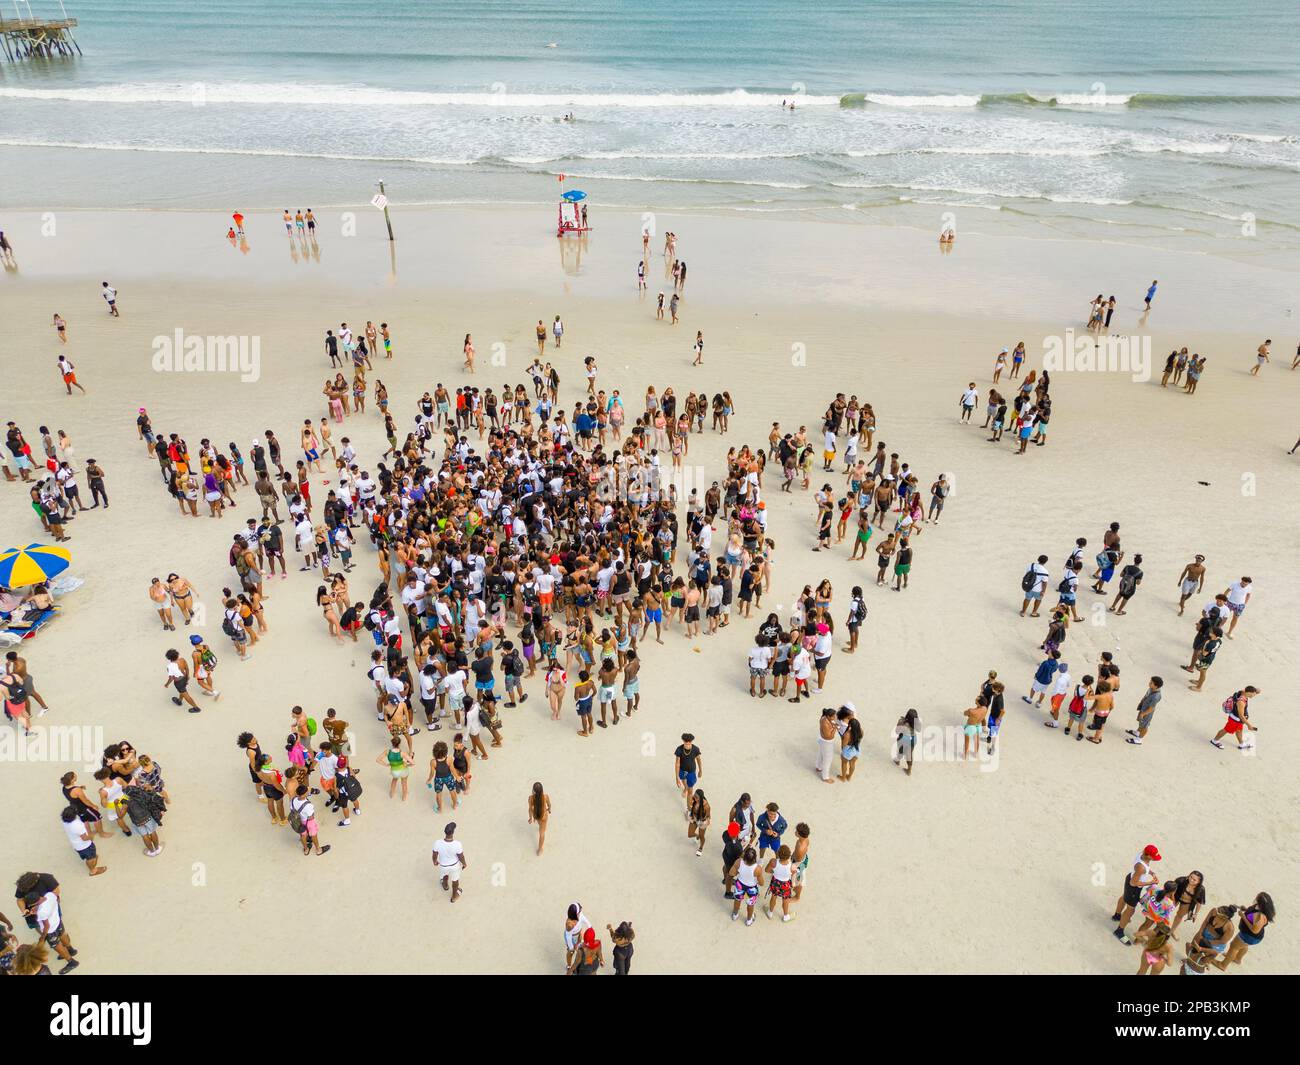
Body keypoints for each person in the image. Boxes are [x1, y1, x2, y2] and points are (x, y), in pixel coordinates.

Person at [1113, 844, 1161, 944]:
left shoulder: (1141, 855)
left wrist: (1151, 873)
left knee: (1124, 897)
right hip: (1134, 887)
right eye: (1153, 856)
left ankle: (1117, 915)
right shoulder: (1141, 868)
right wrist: (1150, 882)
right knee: (1130, 910)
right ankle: (1119, 931)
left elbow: (1143, 869)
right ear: (1148, 856)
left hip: (1130, 877)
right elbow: (1133, 883)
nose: (1154, 858)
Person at [1214, 893, 1274, 970]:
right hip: (1249, 937)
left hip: (1249, 936)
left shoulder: (1260, 916)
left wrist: (1243, 916)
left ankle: (1223, 965)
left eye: (1257, 897)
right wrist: (1246, 909)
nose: (1256, 897)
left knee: (1234, 946)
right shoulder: (1259, 907)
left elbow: (1254, 930)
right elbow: (1252, 915)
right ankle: (1237, 959)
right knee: (1243, 945)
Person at [60, 807, 107, 876]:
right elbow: (84, 838)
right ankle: (93, 871)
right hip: (85, 846)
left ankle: (93, 858)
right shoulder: (77, 825)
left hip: (77, 845)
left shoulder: (64, 821)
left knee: (90, 856)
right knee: (90, 859)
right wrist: (91, 836)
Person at [432, 822, 466, 903]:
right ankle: (454, 897)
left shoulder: (437, 843)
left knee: (444, 875)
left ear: (444, 832)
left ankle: (445, 885)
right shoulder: (458, 844)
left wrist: (435, 861)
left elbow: (434, 854)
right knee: (455, 881)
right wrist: (464, 864)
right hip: (455, 866)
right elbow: (461, 856)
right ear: (453, 832)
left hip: (443, 865)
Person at [1124, 676, 1164, 745]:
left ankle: (1139, 739)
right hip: (1143, 708)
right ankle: (1137, 732)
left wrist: (1143, 714)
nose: (1149, 683)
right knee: (1141, 723)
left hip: (1147, 713)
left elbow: (1151, 708)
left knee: (1145, 726)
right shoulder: (1151, 689)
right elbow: (1146, 696)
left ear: (1156, 686)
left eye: (1151, 683)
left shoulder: (1156, 696)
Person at [674, 733, 702, 807]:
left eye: (689, 744)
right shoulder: (679, 749)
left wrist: (700, 770)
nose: (688, 746)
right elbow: (677, 763)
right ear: (683, 741)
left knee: (690, 791)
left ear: (691, 742)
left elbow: (698, 759)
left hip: (691, 772)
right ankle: (685, 787)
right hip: (682, 770)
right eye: (686, 744)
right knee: (682, 778)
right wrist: (677, 778)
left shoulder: (695, 749)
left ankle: (689, 808)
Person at [527, 781, 551, 856]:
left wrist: (530, 817)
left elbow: (530, 809)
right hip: (543, 817)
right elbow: (549, 805)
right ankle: (540, 849)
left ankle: (540, 826)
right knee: (542, 834)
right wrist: (549, 809)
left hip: (536, 816)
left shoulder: (530, 798)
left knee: (539, 824)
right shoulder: (546, 796)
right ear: (542, 790)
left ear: (533, 790)